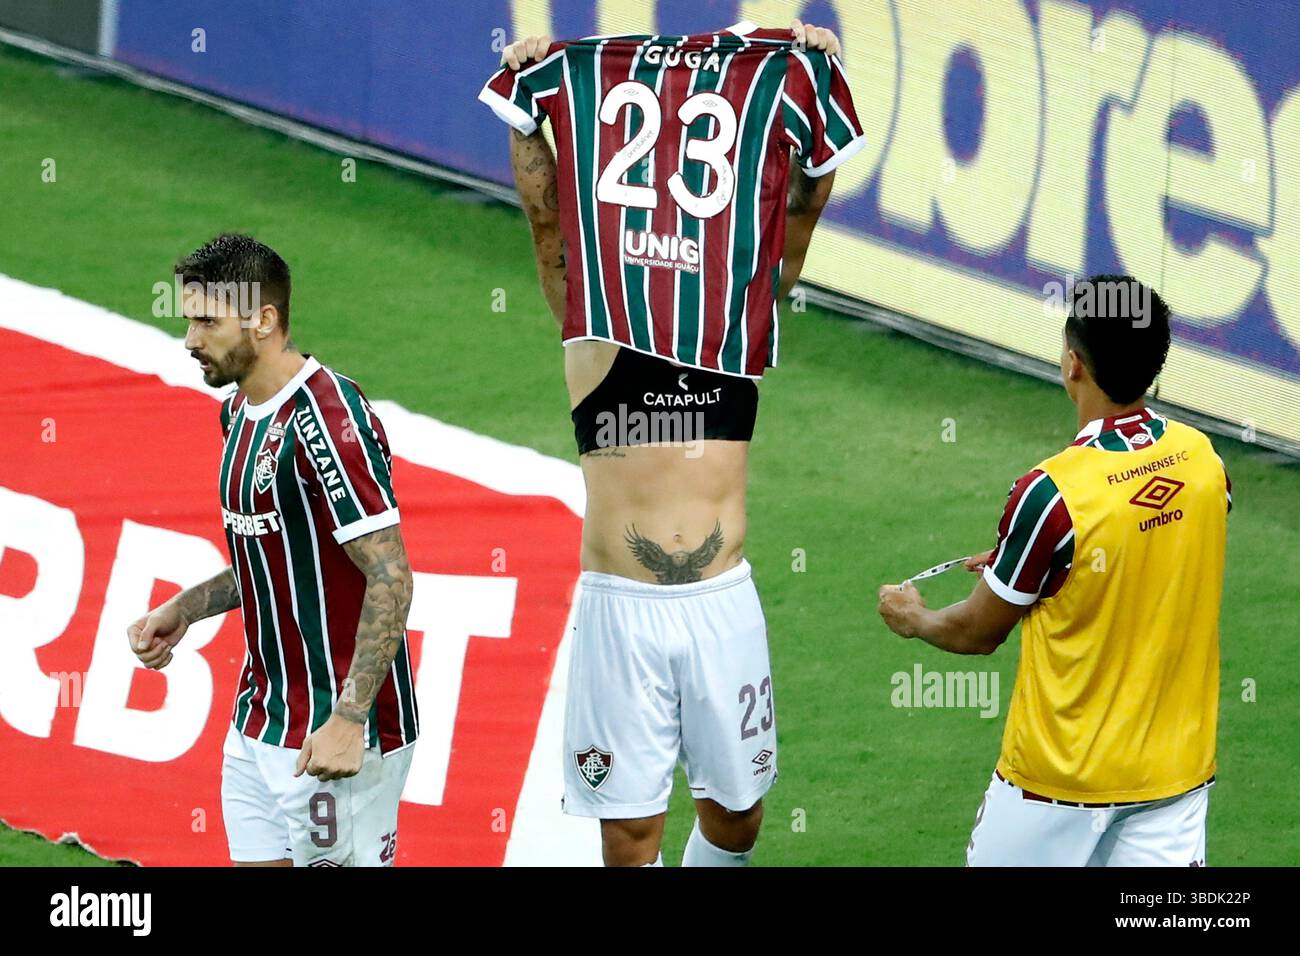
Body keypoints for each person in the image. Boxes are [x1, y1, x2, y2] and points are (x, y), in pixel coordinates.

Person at [481, 20, 865, 865]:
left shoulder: (738, 317)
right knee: (632, 830)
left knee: (737, 818)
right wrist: (525, 114)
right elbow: (547, 224)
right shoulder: (590, 331)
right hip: (621, 608)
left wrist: (813, 79)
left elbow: (798, 213)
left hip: (723, 602)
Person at [878, 274, 1231, 866]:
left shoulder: (1050, 494)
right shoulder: (1204, 459)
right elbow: (1158, 544)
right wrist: (1035, 562)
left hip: (1056, 787)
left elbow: (977, 631)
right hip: (1175, 777)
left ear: (1073, 365)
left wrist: (917, 618)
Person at [126, 233, 419, 866]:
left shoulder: (330, 421)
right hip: (260, 717)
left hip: (335, 735)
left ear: (263, 319)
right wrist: (186, 607)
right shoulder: (238, 412)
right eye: (188, 320)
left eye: (207, 321)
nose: (190, 340)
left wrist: (348, 719)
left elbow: (391, 576)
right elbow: (277, 552)